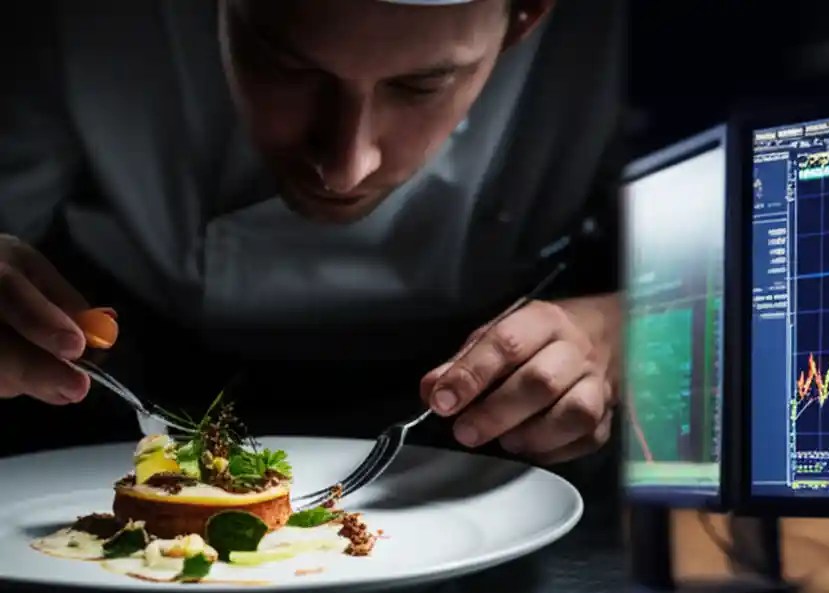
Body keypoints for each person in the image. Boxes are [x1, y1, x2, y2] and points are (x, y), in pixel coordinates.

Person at [0, 0, 623, 473]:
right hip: (116, 410)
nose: (344, 167)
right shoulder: (72, 18)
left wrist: (626, 333)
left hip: (500, 448)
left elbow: (706, 281)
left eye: (420, 85)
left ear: (525, 18)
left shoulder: (617, 31)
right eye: (288, 68)